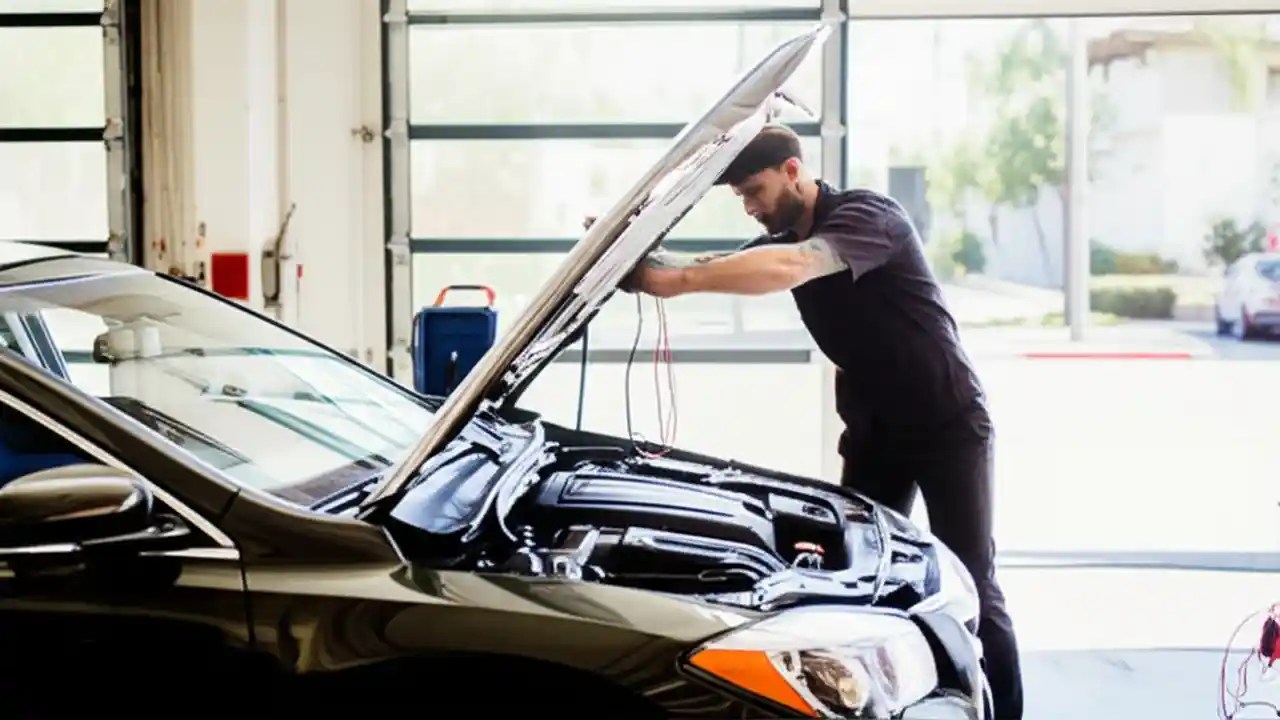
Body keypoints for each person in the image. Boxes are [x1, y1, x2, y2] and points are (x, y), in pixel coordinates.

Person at [621, 123, 1024, 719]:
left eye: (755, 190)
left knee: (973, 584)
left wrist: (673, 281)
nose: (752, 207)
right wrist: (640, 256)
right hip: (876, 432)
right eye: (741, 199)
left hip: (947, 421)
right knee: (854, 574)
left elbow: (792, 266)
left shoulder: (867, 217)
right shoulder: (782, 235)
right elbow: (727, 261)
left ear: (792, 171)